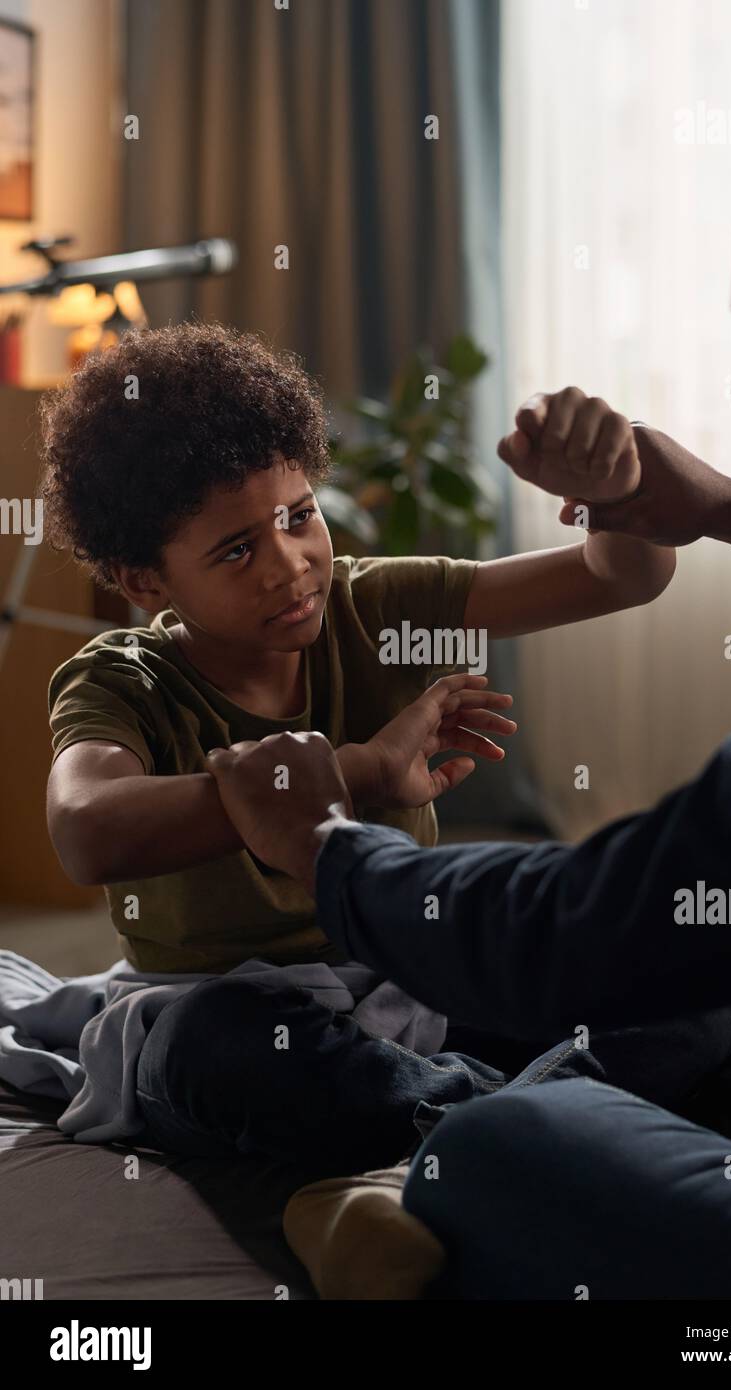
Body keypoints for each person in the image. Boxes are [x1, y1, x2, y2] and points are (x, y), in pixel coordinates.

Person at [203, 104, 731, 1298]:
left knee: (490, 1145)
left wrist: (325, 842)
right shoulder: (122, 676)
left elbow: (584, 932)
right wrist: (726, 506)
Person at [39, 318, 690, 1172]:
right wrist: (360, 771)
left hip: (404, 977)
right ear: (144, 580)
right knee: (219, 1048)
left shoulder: (377, 611)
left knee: (677, 994)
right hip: (219, 1011)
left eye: (299, 517)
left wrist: (616, 492)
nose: (290, 565)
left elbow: (620, 577)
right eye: (237, 550)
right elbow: (86, 831)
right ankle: (527, 1123)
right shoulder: (123, 680)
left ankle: (472, 1121)